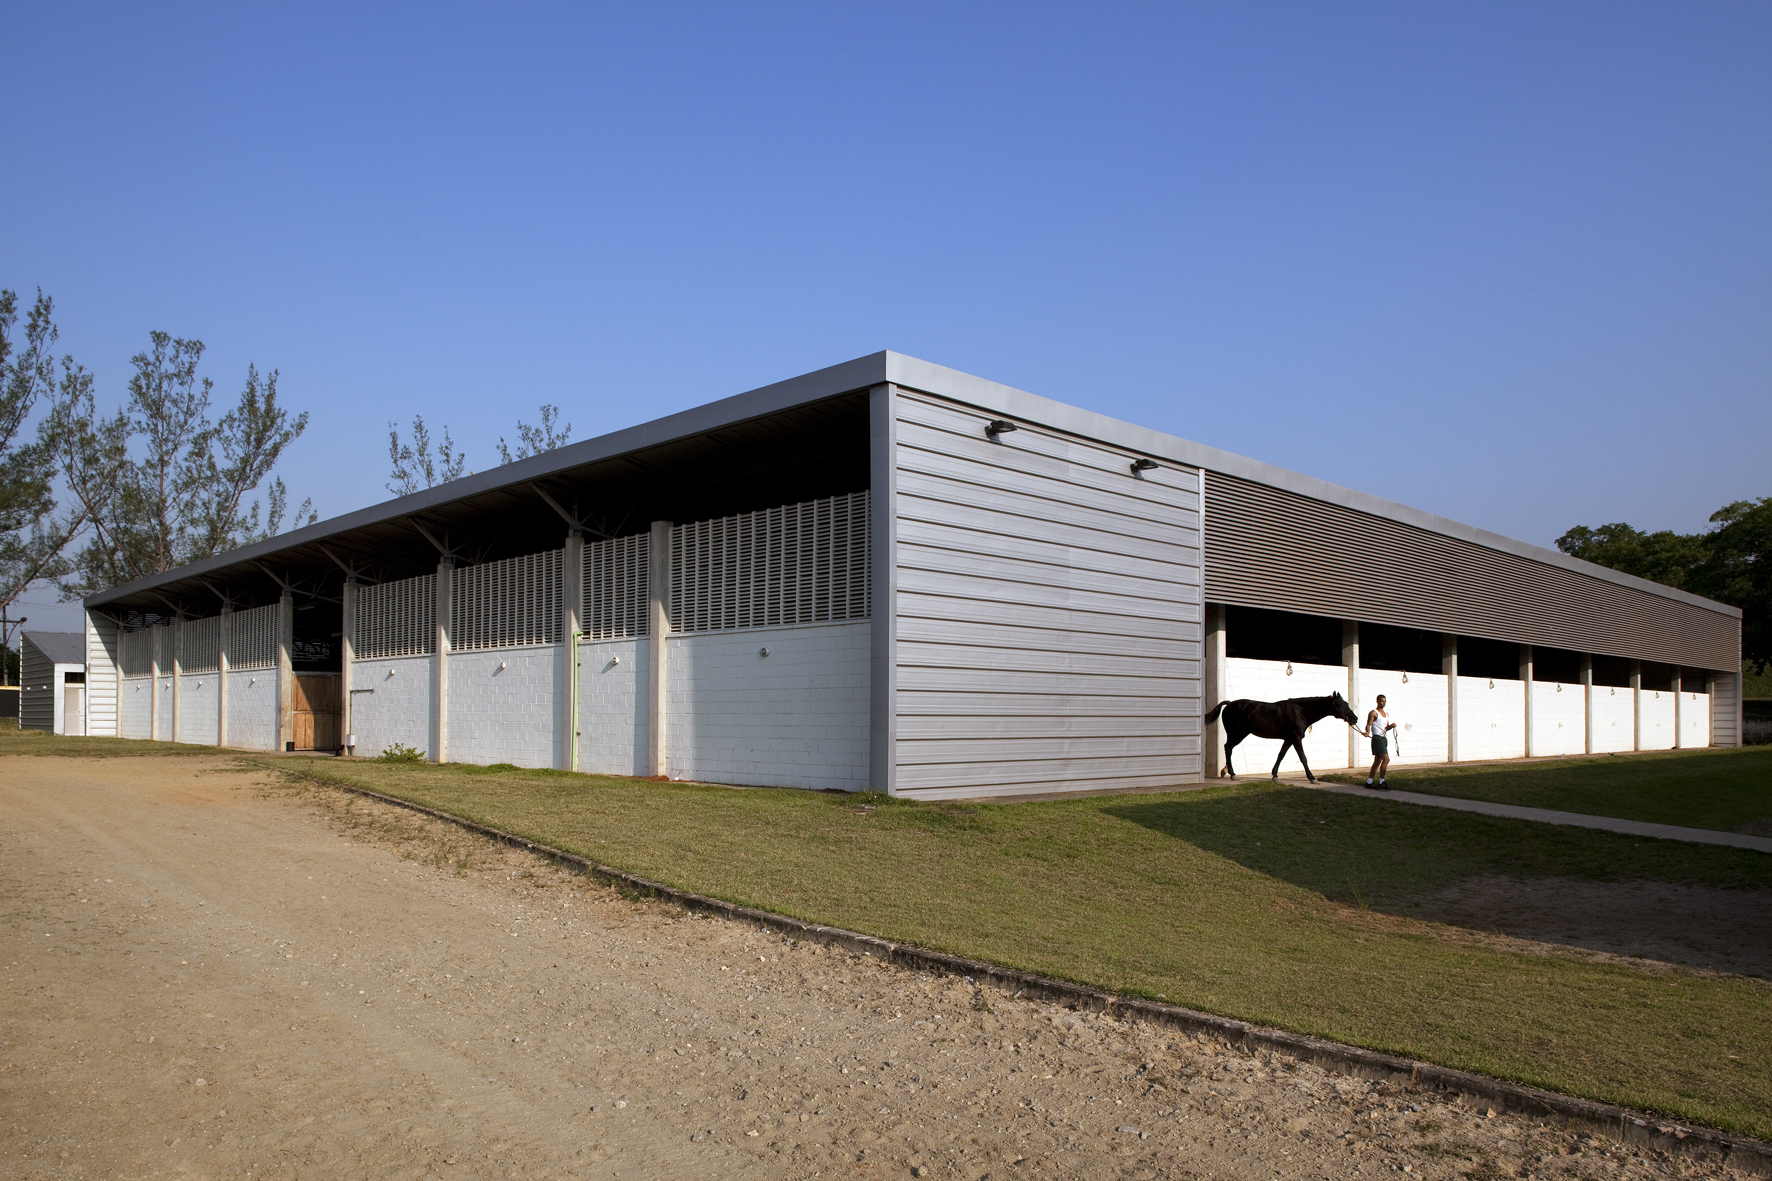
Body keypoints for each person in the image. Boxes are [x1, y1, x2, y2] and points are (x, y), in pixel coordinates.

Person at [1364, 694, 1397, 789]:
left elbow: (1385, 728)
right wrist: (1367, 732)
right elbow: (1368, 724)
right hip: (1377, 738)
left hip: (1383, 738)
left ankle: (1369, 782)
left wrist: (1391, 726)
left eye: (1385, 701)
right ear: (1377, 701)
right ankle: (1382, 782)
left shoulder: (1386, 714)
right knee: (1386, 760)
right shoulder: (1373, 713)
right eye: (1382, 701)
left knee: (1377, 761)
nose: (1384, 703)